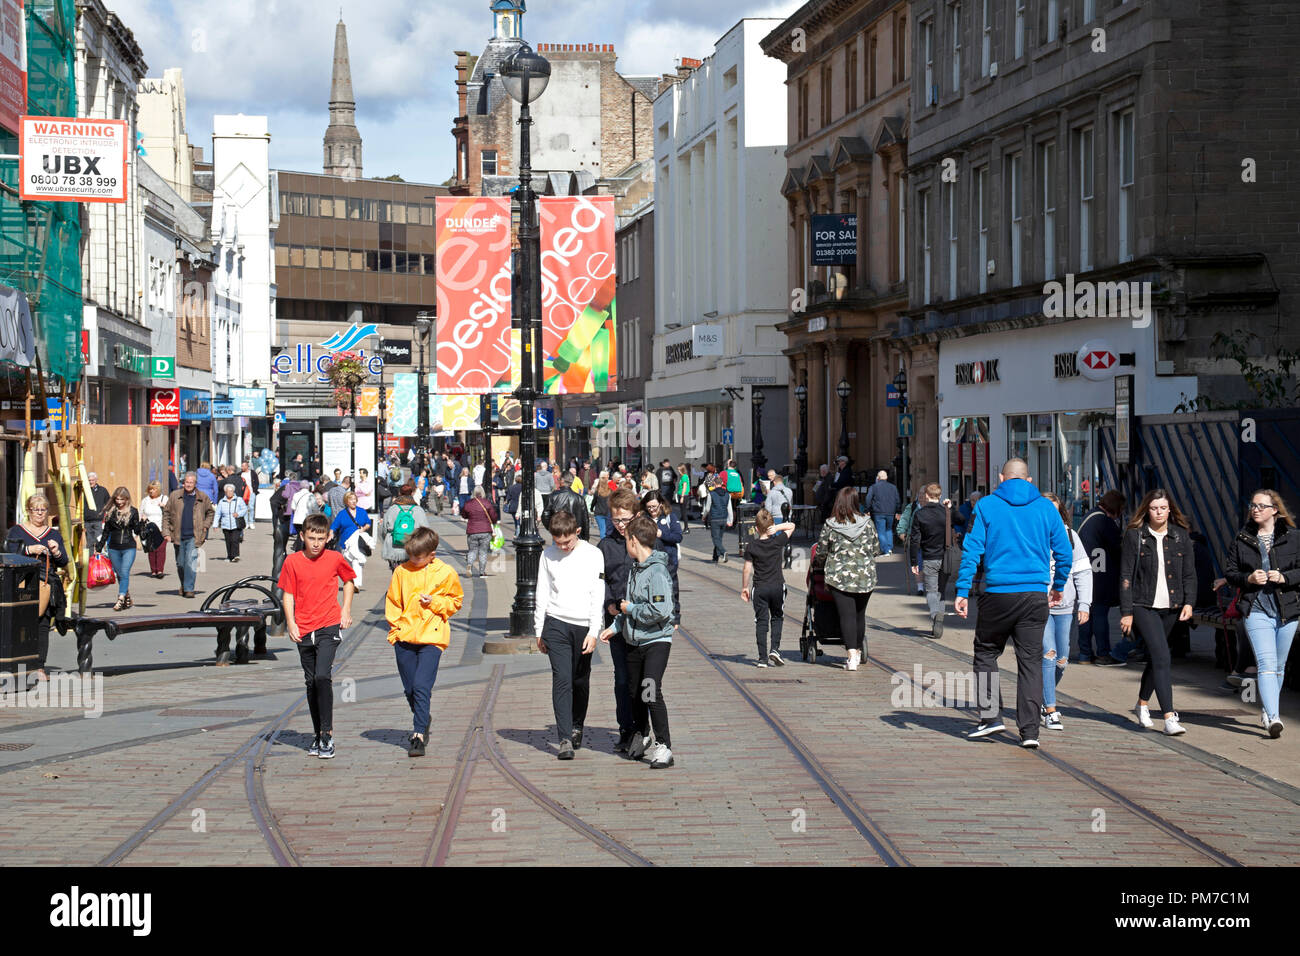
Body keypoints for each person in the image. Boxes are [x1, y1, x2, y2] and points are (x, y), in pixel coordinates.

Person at [953, 458, 1071, 748]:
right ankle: (1030, 732)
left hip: (998, 594)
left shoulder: (986, 506)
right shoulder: (1046, 507)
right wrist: (1057, 586)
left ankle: (991, 717)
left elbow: (972, 550)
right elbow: (1064, 552)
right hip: (1034, 595)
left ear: (1001, 478)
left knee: (986, 652)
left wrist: (962, 589)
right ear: (1029, 480)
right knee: (1030, 662)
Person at [599, 514, 675, 768]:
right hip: (633, 639)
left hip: (656, 640)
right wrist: (615, 626)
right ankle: (642, 734)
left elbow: (660, 611)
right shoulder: (634, 569)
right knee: (635, 692)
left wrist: (630, 610)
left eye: (627, 540)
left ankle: (663, 745)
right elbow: (625, 606)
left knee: (651, 689)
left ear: (634, 542)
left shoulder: (657, 572)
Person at [279, 513, 356, 760]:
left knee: (323, 676)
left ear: (328, 537)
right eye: (311, 538)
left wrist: (345, 610)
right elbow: (288, 594)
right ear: (302, 536)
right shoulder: (291, 561)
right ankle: (317, 733)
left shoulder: (334, 558)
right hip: (303, 626)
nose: (315, 543)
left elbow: (350, 581)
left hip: (328, 624)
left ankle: (327, 733)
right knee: (311, 682)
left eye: (320, 539)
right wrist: (290, 623)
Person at [1225, 489, 1299, 738]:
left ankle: (1268, 710)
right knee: (1266, 665)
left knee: (1278, 667)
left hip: (1287, 609)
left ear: (1274, 510)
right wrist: (1248, 578)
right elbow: (1230, 572)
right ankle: (1274, 717)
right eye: (1252, 505)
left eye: (1260, 506)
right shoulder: (1243, 538)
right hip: (1256, 608)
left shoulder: (1293, 537)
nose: (1255, 509)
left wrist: (1285, 577)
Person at [385, 526, 464, 757]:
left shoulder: (446, 572)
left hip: (432, 637)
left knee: (421, 685)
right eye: (410, 555)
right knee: (410, 688)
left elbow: (455, 601)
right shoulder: (401, 572)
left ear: (432, 555)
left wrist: (436, 602)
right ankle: (423, 716)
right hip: (405, 637)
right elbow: (393, 602)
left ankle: (418, 734)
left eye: (417, 557)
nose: (413, 560)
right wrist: (396, 629)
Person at [535, 509, 606, 759]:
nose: (563, 546)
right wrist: (539, 629)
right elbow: (542, 592)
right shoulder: (547, 555)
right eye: (558, 542)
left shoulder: (593, 554)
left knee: (579, 680)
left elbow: (598, 592)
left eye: (567, 541)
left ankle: (577, 724)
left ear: (577, 532)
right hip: (556, 623)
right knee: (562, 678)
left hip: (583, 625)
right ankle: (564, 737)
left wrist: (594, 631)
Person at [1039, 492, 1093, 732]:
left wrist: (1085, 604)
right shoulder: (1031, 534)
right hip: (1038, 606)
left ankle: (1041, 695)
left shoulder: (1071, 536)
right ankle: (1050, 709)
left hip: (1065, 607)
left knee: (1062, 660)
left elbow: (1082, 571)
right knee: (1048, 654)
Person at [598, 490, 646, 752]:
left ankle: (643, 728)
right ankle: (626, 728)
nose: (620, 525)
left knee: (643, 679)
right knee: (622, 679)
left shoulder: (646, 542)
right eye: (616, 519)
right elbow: (599, 579)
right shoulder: (606, 546)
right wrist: (609, 604)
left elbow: (664, 574)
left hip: (643, 621)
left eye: (625, 520)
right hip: (616, 620)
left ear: (636, 516)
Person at [817, 487, 881, 671]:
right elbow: (876, 548)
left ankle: (851, 655)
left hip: (839, 577)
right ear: (855, 501)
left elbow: (821, 551)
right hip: (865, 576)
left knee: (847, 616)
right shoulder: (868, 523)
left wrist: (820, 562)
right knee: (860, 615)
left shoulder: (830, 524)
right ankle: (858, 651)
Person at [5, 494, 68, 682]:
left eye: (43, 510)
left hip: (44, 583)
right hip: (21, 582)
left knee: (42, 623)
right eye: (36, 510)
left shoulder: (53, 534)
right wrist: (28, 550)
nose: (40, 514)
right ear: (29, 511)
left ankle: (39, 666)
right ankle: (18, 664)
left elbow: (64, 561)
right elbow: (7, 551)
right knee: (20, 624)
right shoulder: (17, 531)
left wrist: (56, 551)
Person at [1075, 490, 1126, 665]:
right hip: (1100, 577)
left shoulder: (1089, 517)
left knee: (1085, 614)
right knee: (1100, 615)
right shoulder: (1104, 521)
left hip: (1086, 573)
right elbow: (1118, 548)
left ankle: (1084, 653)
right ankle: (1103, 653)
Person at [742, 508, 798, 667]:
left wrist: (744, 587)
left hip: (760, 588)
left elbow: (747, 569)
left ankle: (762, 659)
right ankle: (775, 649)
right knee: (777, 617)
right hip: (777, 586)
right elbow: (792, 525)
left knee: (761, 621)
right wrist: (778, 528)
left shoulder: (752, 546)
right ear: (771, 526)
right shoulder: (777, 541)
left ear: (756, 528)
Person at [161, 471, 215, 598]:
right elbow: (166, 514)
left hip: (194, 535)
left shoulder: (202, 497)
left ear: (195, 483)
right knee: (180, 563)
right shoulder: (175, 496)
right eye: (186, 482)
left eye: (191, 482)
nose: (189, 485)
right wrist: (166, 532)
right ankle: (184, 585)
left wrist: (205, 526)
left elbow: (210, 513)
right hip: (178, 535)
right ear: (183, 483)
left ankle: (189, 589)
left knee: (190, 562)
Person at [909, 484, 952, 639]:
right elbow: (961, 519)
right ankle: (939, 618)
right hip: (946, 557)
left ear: (926, 496)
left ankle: (935, 616)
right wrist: (951, 507)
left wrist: (914, 561)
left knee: (932, 591)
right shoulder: (946, 512)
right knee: (942, 591)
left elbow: (915, 540)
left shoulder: (920, 515)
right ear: (939, 496)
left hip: (929, 557)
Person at [642, 491, 682, 627]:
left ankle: (674, 617)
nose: (652, 510)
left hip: (669, 561)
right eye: (649, 507)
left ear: (661, 504)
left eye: (654, 506)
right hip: (649, 561)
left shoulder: (670, 517)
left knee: (671, 588)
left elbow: (678, 536)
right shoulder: (643, 519)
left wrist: (661, 534)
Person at [382, 481, 431, 570]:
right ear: (412, 493)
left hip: (394, 547)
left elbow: (384, 529)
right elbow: (426, 530)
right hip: (413, 548)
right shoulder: (418, 510)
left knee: (397, 574)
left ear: (399, 493)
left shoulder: (392, 509)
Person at [330, 490, 374, 591]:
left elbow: (368, 523)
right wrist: (330, 534)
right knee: (349, 563)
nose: (354, 501)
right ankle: (351, 581)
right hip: (346, 543)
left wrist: (363, 529)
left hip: (358, 542)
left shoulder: (362, 511)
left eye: (355, 499)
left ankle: (356, 584)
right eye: (351, 499)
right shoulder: (342, 514)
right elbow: (334, 526)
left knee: (357, 561)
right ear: (346, 501)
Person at [863, 470, 902, 556]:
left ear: (878, 477)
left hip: (879, 512)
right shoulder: (893, 487)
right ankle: (889, 547)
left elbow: (868, 499)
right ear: (887, 477)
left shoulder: (874, 487)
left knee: (881, 531)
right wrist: (898, 511)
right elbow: (898, 500)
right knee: (888, 530)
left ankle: (886, 550)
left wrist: (867, 510)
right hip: (891, 512)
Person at [462, 485, 498, 578]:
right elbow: (493, 516)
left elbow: (464, 515)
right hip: (485, 531)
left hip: (472, 530)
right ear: (483, 493)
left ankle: (469, 564)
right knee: (483, 551)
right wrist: (494, 522)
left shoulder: (468, 503)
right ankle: (482, 572)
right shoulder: (487, 503)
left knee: (472, 550)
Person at [542, 476, 590, 541]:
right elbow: (585, 519)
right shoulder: (579, 498)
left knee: (558, 549)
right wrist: (586, 537)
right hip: (574, 532)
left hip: (559, 532)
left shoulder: (553, 496)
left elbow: (545, 515)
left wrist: (552, 529)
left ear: (561, 481)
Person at [139, 479, 168, 577]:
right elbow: (141, 513)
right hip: (149, 528)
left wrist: (164, 507)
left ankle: (160, 570)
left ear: (158, 490)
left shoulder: (164, 499)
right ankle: (153, 570)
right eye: (150, 489)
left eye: (154, 489)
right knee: (151, 550)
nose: (151, 491)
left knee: (161, 549)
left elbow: (170, 512)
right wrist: (142, 518)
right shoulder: (145, 500)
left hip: (161, 528)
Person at [214, 483, 249, 563]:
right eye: (228, 491)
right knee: (228, 541)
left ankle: (236, 555)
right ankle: (229, 556)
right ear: (225, 492)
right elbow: (218, 513)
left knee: (235, 540)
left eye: (231, 491)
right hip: (225, 525)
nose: (230, 493)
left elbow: (244, 509)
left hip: (235, 524)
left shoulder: (239, 500)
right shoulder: (221, 501)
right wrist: (215, 524)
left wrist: (238, 514)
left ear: (233, 491)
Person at [705, 473, 734, 563]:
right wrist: (730, 520)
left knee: (715, 538)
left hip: (714, 518)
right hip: (723, 518)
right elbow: (730, 509)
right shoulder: (727, 495)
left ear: (714, 483)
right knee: (719, 539)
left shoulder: (711, 494)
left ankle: (723, 552)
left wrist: (704, 516)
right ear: (722, 484)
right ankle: (715, 557)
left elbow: (707, 508)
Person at [82, 472, 111, 556]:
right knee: (90, 542)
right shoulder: (84, 491)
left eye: (92, 480)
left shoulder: (103, 490)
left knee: (99, 540)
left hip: (99, 520)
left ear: (96, 480)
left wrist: (106, 514)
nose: (91, 482)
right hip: (87, 521)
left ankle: (100, 559)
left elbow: (108, 503)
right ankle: (91, 560)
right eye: (89, 480)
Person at [239, 460, 260, 527]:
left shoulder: (253, 473)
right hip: (243, 493)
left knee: (251, 507)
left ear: (247, 466)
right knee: (244, 507)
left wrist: (255, 490)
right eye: (241, 466)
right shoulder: (240, 474)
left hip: (251, 492)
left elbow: (256, 482)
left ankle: (251, 521)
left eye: (243, 466)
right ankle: (246, 522)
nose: (242, 467)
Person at [675, 465, 692, 533]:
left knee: (684, 512)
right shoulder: (683, 476)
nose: (678, 471)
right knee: (683, 512)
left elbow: (684, 487)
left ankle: (686, 528)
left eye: (679, 470)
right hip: (681, 495)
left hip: (683, 495)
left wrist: (682, 497)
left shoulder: (684, 476)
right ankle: (686, 527)